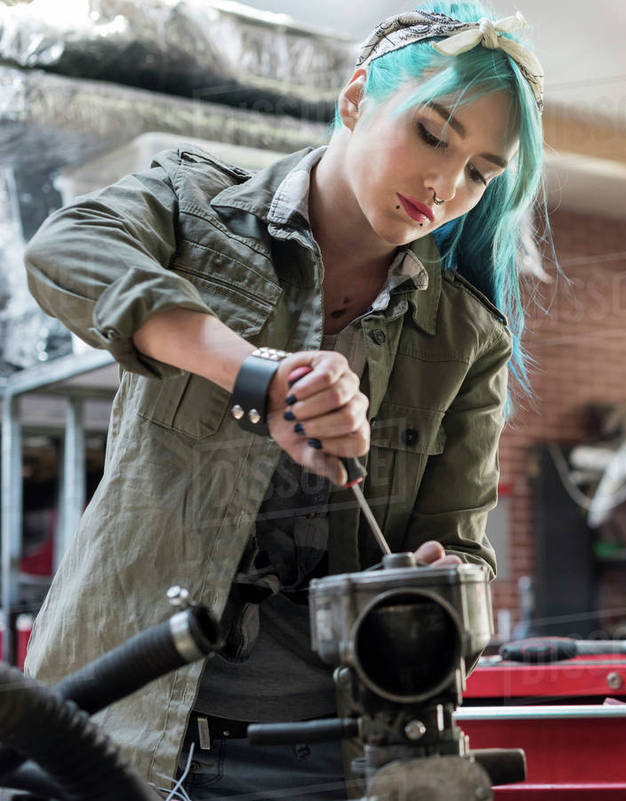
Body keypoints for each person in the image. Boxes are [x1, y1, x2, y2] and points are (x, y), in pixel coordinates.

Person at [21, 3, 547, 799]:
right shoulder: (195, 210)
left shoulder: (468, 339)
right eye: (433, 134)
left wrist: (445, 583)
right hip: (108, 721)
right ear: (356, 99)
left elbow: (462, 544)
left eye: (479, 172)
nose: (445, 185)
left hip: (319, 758)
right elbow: (65, 250)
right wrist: (254, 372)